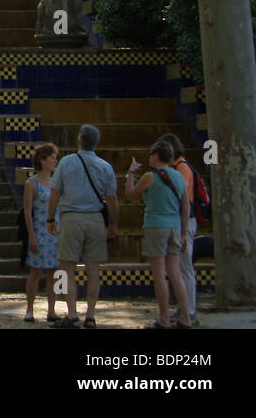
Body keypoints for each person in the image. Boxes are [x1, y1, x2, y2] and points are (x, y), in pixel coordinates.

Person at [47, 125, 118, 328]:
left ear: (79, 140)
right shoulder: (105, 166)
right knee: (93, 269)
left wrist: (51, 218)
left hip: (71, 218)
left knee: (67, 267)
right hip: (95, 219)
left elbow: (55, 193)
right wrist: (114, 223)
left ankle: (71, 313)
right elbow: (112, 199)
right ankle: (91, 315)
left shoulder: (66, 163)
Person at [125, 139, 193, 329]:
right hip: (174, 226)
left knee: (159, 275)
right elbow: (186, 206)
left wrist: (130, 173)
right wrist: (184, 232)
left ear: (156, 155)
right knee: (175, 274)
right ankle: (185, 317)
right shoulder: (179, 176)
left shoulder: (150, 177)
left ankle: (164, 319)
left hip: (156, 226)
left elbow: (130, 194)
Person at [157, 132, 200, 324]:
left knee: (184, 268)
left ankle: (189, 310)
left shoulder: (182, 169)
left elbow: (183, 199)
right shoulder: (180, 167)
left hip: (184, 222)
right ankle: (184, 308)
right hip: (179, 222)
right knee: (180, 268)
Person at [23, 142, 61, 322]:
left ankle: (52, 310)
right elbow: (28, 212)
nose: (55, 161)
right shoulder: (32, 183)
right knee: (36, 272)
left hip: (56, 231)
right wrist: (32, 236)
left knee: (55, 272)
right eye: (52, 158)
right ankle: (29, 308)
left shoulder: (57, 183)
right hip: (39, 230)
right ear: (42, 160)